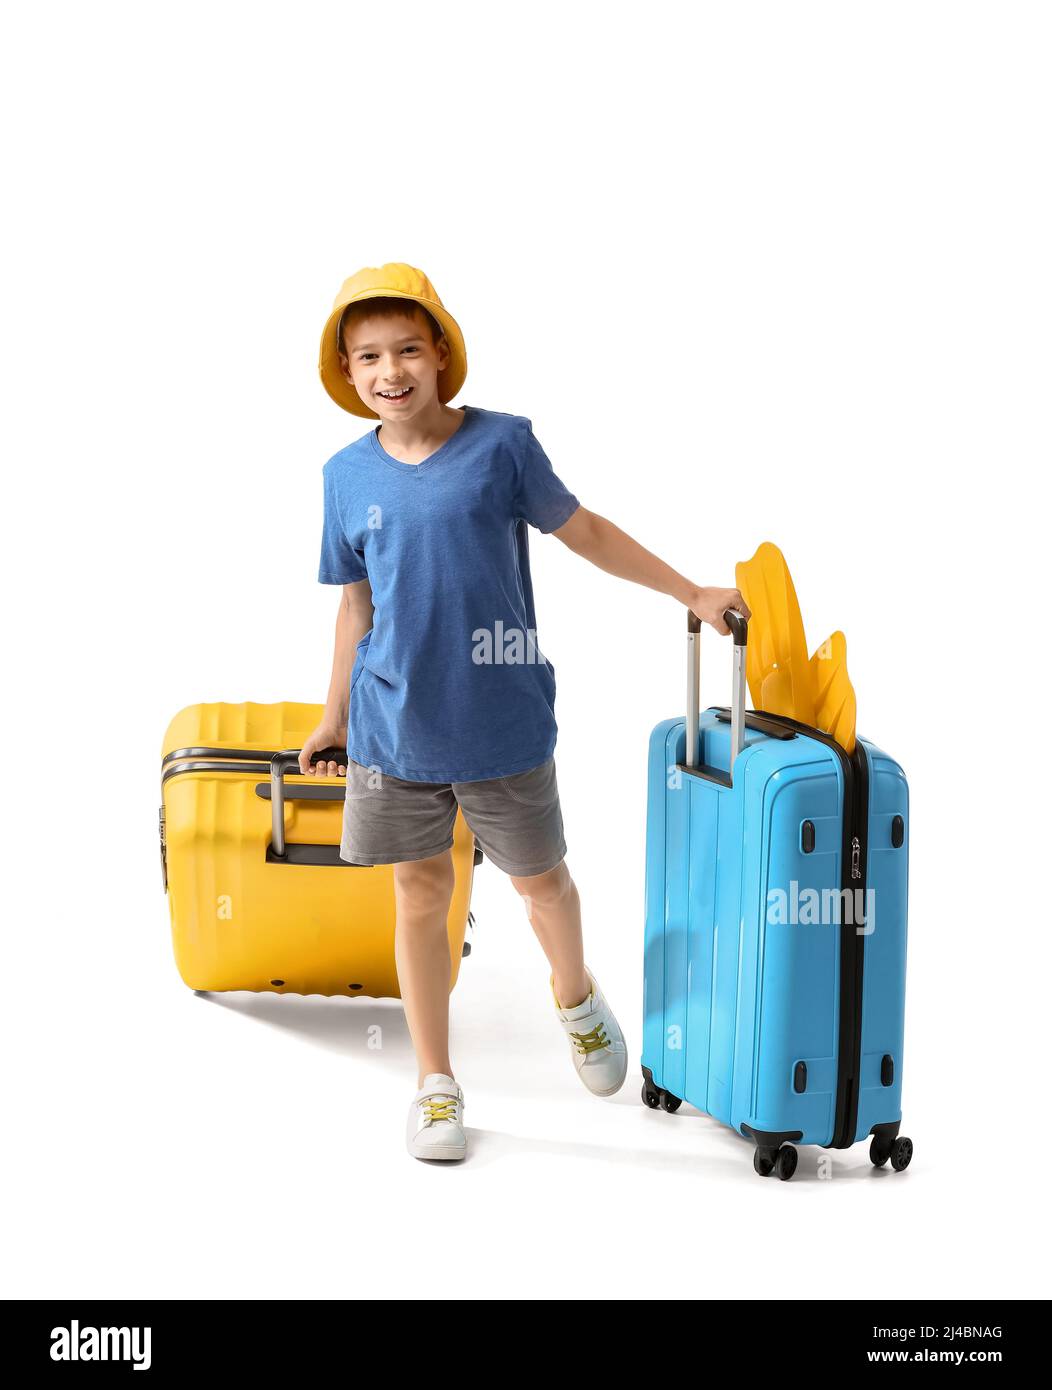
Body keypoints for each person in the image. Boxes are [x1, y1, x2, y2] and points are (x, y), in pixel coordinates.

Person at [301, 262, 750, 1162]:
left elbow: (581, 529)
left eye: (407, 351)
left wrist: (687, 589)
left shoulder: (501, 446)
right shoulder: (344, 476)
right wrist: (334, 716)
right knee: (420, 893)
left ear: (440, 355)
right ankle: (435, 1081)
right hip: (395, 728)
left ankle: (575, 996)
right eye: (369, 358)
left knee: (543, 886)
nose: (391, 372)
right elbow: (355, 606)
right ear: (349, 374)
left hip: (500, 720)